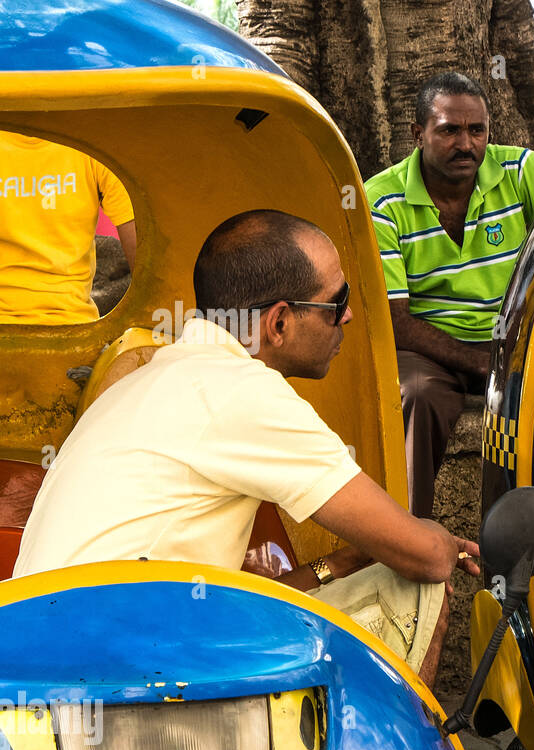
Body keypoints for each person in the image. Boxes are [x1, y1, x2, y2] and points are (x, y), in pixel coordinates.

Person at [14, 209, 478, 683]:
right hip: (114, 677)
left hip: (50, 659)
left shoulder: (158, 377)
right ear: (278, 323)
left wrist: (341, 562)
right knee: (419, 590)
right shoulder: (245, 393)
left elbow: (231, 600)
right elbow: (427, 557)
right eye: (337, 302)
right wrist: (439, 538)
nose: (350, 316)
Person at [365, 72, 534, 518]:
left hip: (512, 341)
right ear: (418, 134)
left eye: (477, 130)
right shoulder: (382, 199)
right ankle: (408, 538)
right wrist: (479, 362)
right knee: (415, 393)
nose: (466, 144)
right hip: (430, 346)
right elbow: (395, 321)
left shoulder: (521, 172)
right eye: (449, 130)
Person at [0, 130, 137, 324]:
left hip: (74, 328)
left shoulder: (95, 144)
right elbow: (150, 268)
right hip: (75, 329)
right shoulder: (95, 141)